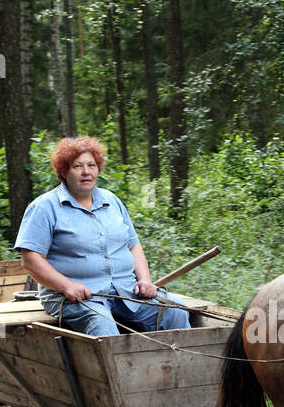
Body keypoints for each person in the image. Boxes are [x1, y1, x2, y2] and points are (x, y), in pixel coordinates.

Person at [14, 136, 190, 336]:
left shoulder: (112, 201)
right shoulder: (45, 207)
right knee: (103, 326)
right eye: (77, 166)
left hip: (126, 292)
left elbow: (133, 245)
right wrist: (66, 286)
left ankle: (171, 366)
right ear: (63, 171)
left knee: (175, 310)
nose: (86, 171)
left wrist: (145, 280)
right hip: (77, 298)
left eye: (92, 165)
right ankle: (116, 368)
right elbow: (30, 260)